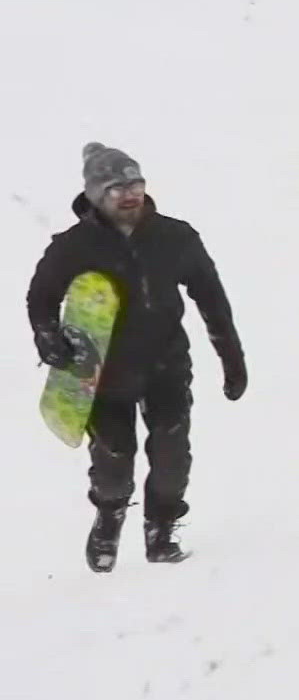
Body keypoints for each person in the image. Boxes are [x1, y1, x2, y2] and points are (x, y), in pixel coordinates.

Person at [27, 143, 248, 571]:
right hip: (103, 372)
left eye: (135, 185)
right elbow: (41, 297)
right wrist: (47, 337)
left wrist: (231, 358)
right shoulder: (73, 247)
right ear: (95, 194)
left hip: (165, 364)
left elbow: (212, 299)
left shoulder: (175, 237)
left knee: (172, 455)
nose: (129, 195)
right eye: (116, 188)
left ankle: (160, 530)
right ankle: (109, 515)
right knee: (114, 463)